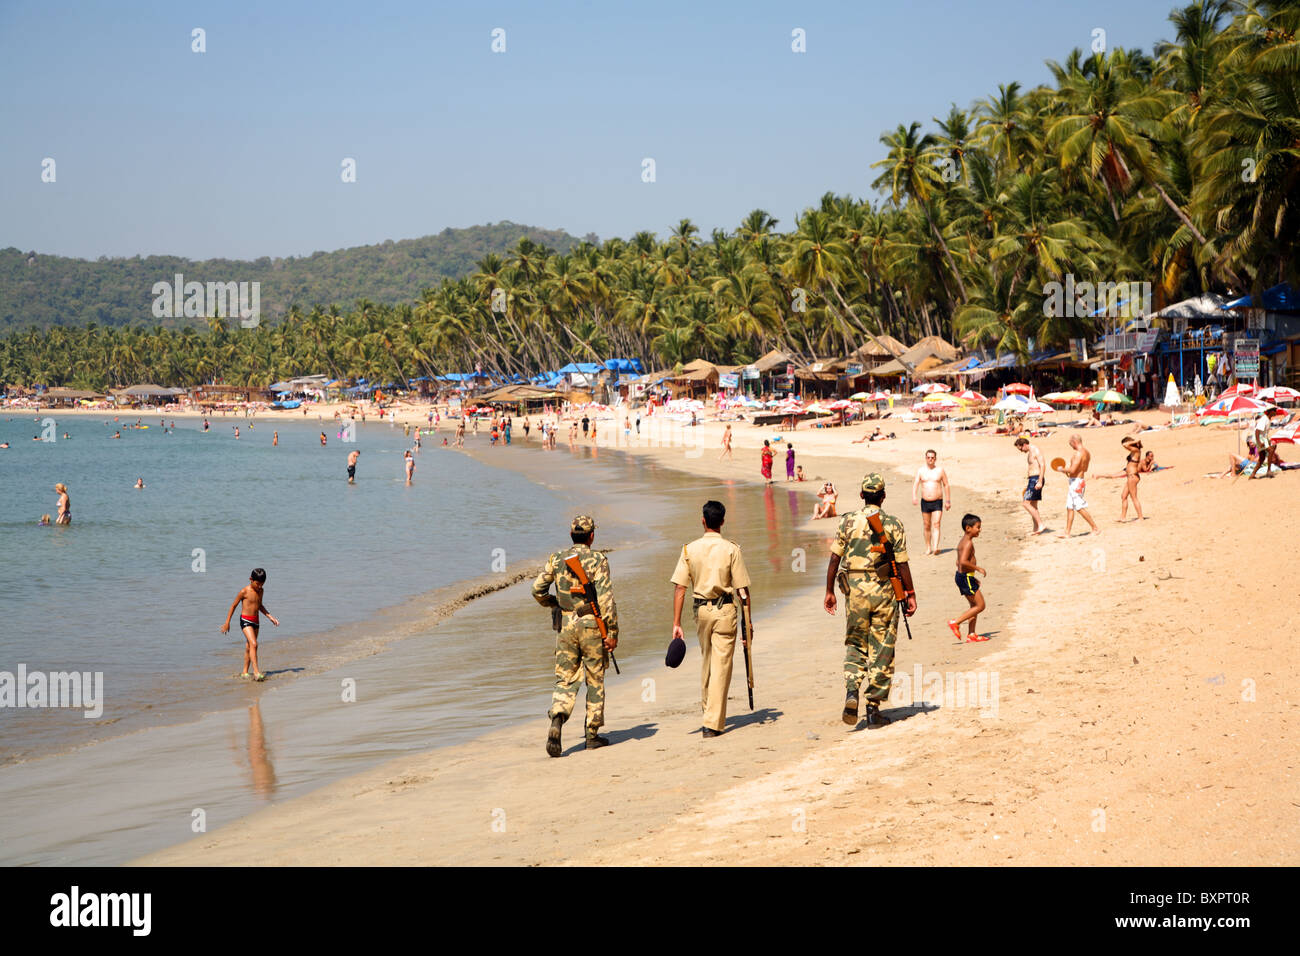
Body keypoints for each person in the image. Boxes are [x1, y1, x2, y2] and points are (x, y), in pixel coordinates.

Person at [823, 473, 915, 728]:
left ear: (862, 495)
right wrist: (910, 593)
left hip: (854, 591)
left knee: (855, 642)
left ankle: (852, 690)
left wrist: (829, 591)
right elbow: (902, 563)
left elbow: (833, 559)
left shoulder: (848, 521)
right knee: (883, 646)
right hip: (885, 589)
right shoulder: (894, 524)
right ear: (883, 496)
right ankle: (873, 707)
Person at [531, 515, 619, 756]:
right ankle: (592, 734)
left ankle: (557, 718)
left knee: (566, 678)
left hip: (566, 624)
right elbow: (606, 599)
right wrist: (611, 632)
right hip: (591, 623)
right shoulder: (599, 559)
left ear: (571, 535)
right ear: (592, 536)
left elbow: (537, 589)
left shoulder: (557, 558)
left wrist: (554, 604)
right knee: (594, 678)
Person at [670, 500, 752, 738]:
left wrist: (676, 623)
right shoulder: (731, 549)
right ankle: (712, 723)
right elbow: (742, 591)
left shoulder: (689, 549)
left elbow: (680, 589)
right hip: (725, 610)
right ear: (722, 522)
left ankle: (708, 710)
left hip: (701, 612)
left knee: (707, 661)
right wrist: (748, 623)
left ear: (703, 521)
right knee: (721, 665)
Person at [219, 568, 280, 681]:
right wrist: (227, 622)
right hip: (245, 621)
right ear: (251, 579)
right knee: (254, 644)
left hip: (256, 621)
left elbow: (260, 605)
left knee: (249, 647)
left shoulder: (261, 591)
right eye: (257, 584)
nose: (259, 587)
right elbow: (233, 606)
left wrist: (270, 617)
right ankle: (256, 672)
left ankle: (244, 672)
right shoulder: (244, 591)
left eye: (262, 584)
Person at [948, 514, 989, 642]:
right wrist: (978, 569)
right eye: (978, 527)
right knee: (981, 605)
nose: (980, 530)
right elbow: (963, 562)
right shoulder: (968, 544)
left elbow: (957, 563)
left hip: (965, 577)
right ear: (968, 528)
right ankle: (956, 622)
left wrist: (972, 576)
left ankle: (972, 634)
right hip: (965, 578)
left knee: (973, 605)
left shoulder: (963, 542)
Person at [1052, 435, 1101, 537]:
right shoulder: (1087, 453)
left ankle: (1095, 528)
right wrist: (1068, 472)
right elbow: (1084, 469)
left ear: (1074, 442)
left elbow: (1072, 470)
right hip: (1078, 480)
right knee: (1070, 507)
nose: (1071, 446)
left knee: (1079, 507)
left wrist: (1061, 469)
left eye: (1071, 444)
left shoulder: (1078, 454)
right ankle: (1067, 532)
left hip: (1076, 482)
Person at [911, 448, 951, 555]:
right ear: (925, 458)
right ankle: (928, 547)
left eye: (932, 458)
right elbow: (916, 483)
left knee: (936, 524)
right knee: (927, 525)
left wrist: (948, 501)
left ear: (935, 459)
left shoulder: (940, 470)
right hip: (925, 502)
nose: (930, 459)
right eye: (928, 457)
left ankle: (935, 547)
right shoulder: (921, 470)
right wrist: (914, 496)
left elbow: (946, 485)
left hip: (937, 501)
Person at [1014, 437, 1046, 535]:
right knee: (1033, 505)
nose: (1021, 451)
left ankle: (1041, 524)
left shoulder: (1035, 450)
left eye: (1020, 449)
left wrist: (1039, 481)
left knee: (1025, 503)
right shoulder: (1030, 452)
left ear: (1024, 445)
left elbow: (1043, 465)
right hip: (1032, 479)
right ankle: (1036, 529)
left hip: (1036, 479)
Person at [1119, 437, 1145, 521]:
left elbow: (1125, 444)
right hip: (1130, 476)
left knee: (1134, 497)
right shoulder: (1134, 450)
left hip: (1132, 476)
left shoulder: (1136, 450)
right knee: (1123, 496)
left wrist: (1135, 441)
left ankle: (1140, 517)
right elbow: (1126, 445)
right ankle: (1123, 517)